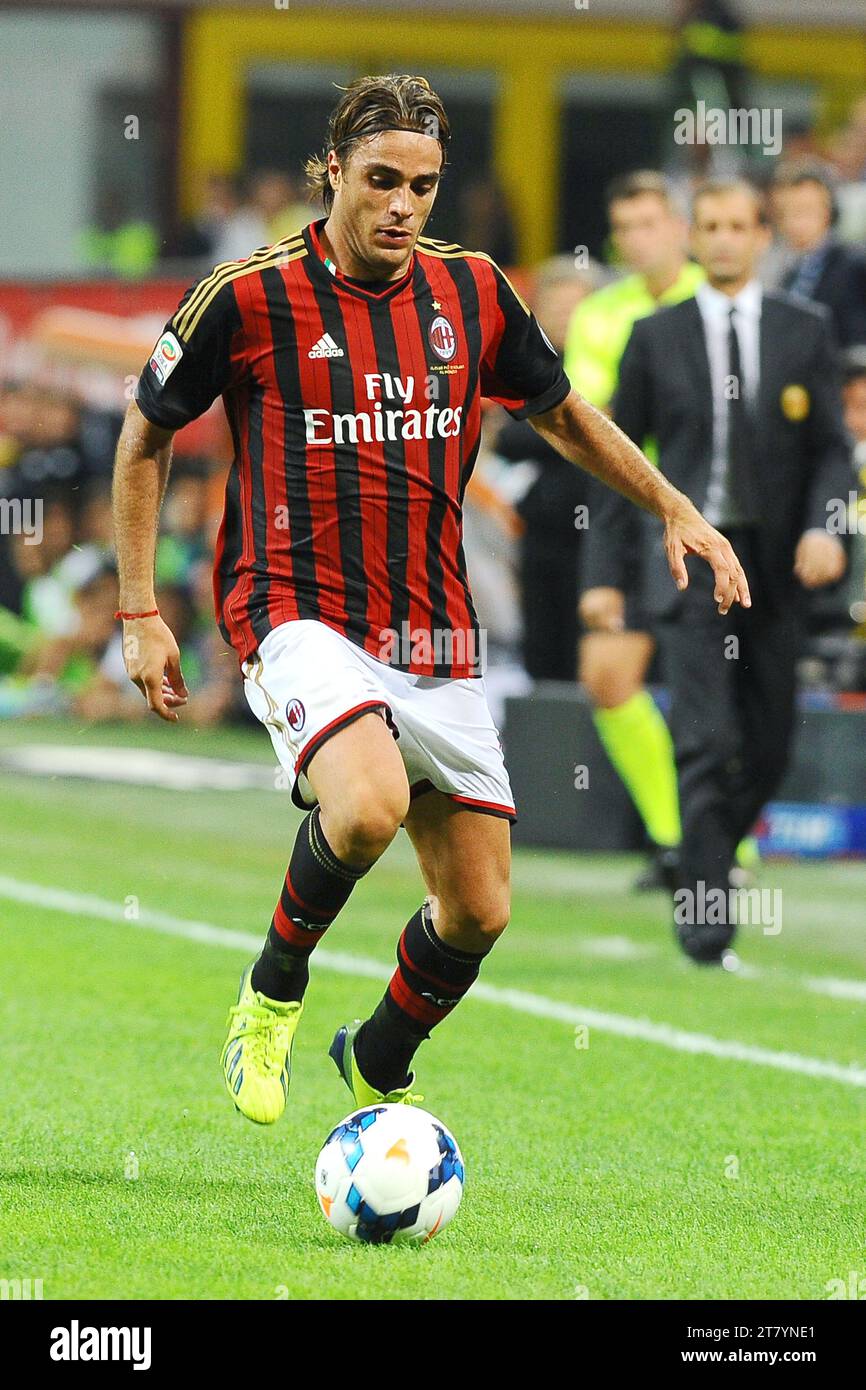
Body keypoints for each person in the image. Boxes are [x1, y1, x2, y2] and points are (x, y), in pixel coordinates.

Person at [113, 75, 748, 1129]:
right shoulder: (248, 295)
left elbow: (561, 411)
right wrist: (139, 608)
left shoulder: (474, 291)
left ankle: (376, 1054)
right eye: (380, 180)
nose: (402, 204)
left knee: (479, 909)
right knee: (367, 804)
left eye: (423, 185)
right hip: (293, 606)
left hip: (431, 626)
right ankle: (270, 993)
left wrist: (672, 504)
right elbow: (146, 432)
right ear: (333, 172)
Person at [582, 179, 850, 964]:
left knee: (769, 746)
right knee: (706, 738)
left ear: (764, 236)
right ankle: (705, 921)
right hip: (690, 562)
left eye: (739, 225)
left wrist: (826, 526)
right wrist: (603, 576)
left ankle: (705, 852)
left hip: (776, 566)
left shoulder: (806, 330)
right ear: (693, 237)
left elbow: (834, 451)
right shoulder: (654, 336)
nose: (725, 239)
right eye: (711, 226)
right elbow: (616, 463)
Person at [566, 171, 705, 887]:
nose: (637, 240)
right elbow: (592, 424)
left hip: (709, 506)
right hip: (627, 506)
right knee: (607, 674)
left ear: (680, 228)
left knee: (710, 681)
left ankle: (722, 848)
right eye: (625, 229)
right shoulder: (600, 315)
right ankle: (674, 838)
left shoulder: (715, 301)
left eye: (650, 224)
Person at [494, 255, 605, 681]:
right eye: (553, 306)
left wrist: (545, 432)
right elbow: (504, 437)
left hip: (600, 532)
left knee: (590, 646)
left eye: (574, 307)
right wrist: (571, 432)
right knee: (542, 650)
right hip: (542, 531)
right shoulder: (526, 363)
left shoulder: (611, 360)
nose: (563, 317)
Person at [774, 161, 866, 349]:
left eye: (804, 211)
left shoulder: (854, 265)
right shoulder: (788, 274)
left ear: (828, 211)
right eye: (786, 212)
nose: (794, 223)